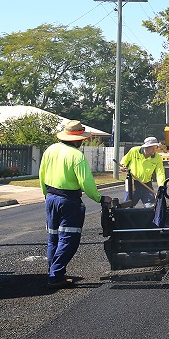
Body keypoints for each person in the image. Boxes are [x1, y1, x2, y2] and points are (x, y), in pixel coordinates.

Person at [39, 120, 111, 289]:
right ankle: (56, 276)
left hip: (51, 198)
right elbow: (86, 183)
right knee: (69, 240)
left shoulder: (50, 150)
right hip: (68, 201)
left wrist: (46, 195)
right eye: (82, 139)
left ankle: (55, 272)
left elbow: (41, 174)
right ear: (77, 138)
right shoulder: (76, 156)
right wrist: (100, 198)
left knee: (53, 238)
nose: (83, 141)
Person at [120, 136, 166, 206]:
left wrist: (161, 187)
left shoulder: (157, 157)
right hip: (132, 184)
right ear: (146, 147)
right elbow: (124, 160)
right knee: (127, 207)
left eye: (156, 148)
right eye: (152, 148)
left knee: (151, 207)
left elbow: (160, 173)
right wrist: (123, 166)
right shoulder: (134, 151)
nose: (155, 150)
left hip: (147, 185)